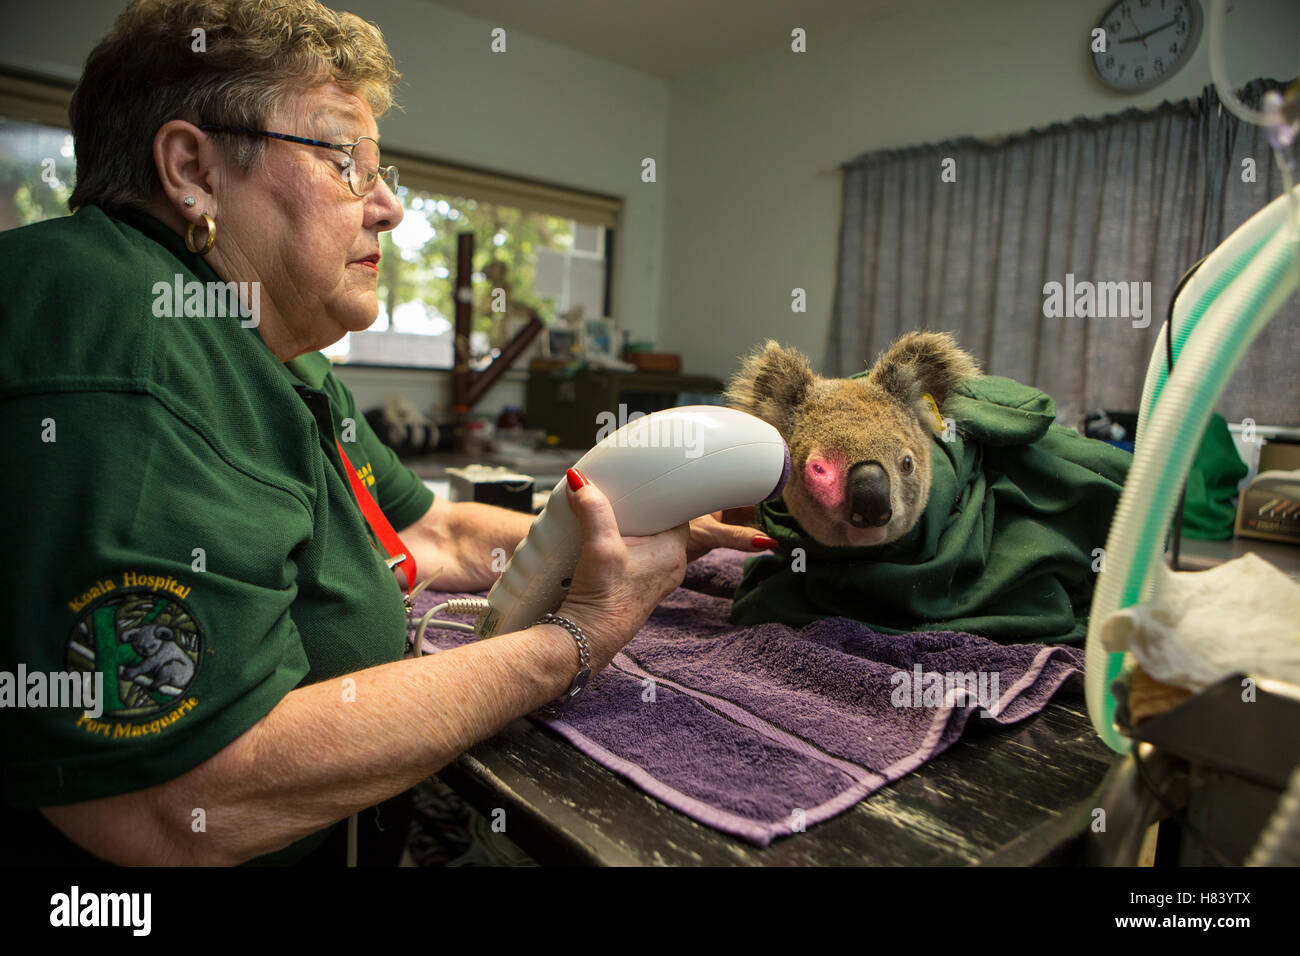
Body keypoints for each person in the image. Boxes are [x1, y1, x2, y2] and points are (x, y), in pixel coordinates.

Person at [0, 0, 770, 866]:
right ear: (192, 169)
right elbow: (171, 803)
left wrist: (624, 548)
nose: (391, 208)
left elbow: (423, 532)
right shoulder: (119, 332)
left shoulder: (276, 352)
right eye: (345, 161)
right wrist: (575, 641)